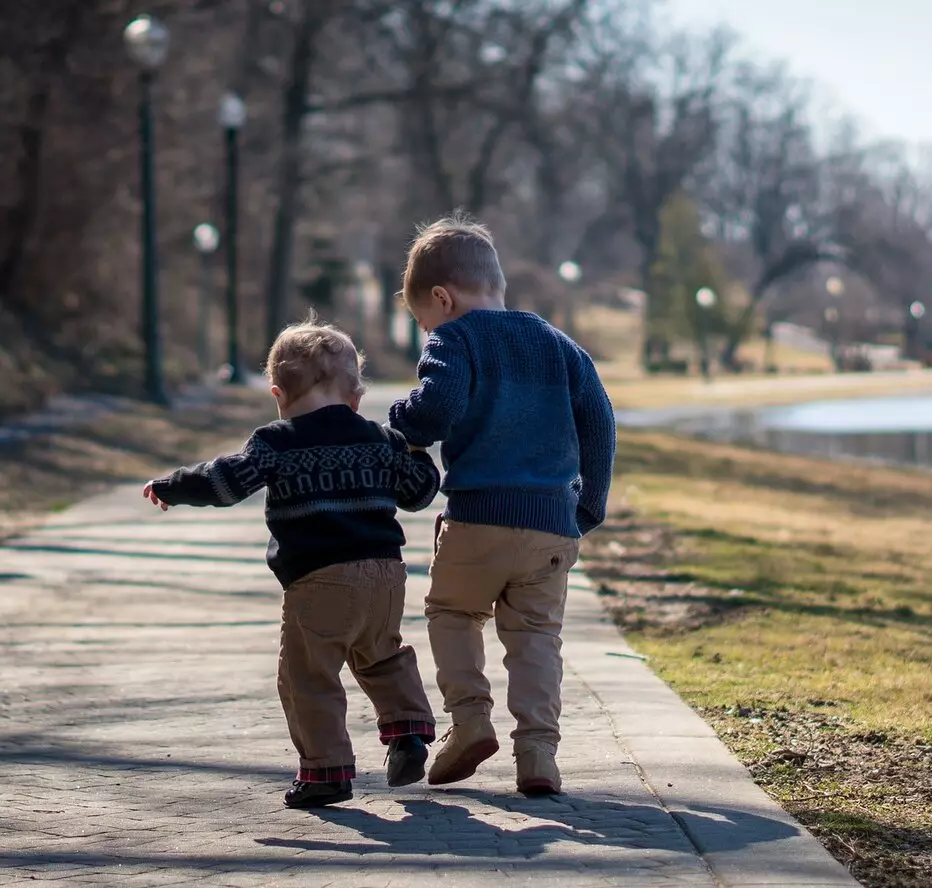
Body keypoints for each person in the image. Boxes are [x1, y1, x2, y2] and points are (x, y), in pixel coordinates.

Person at [143, 320, 440, 809]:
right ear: (355, 395)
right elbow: (418, 492)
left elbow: (225, 482)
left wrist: (174, 486)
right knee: (382, 655)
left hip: (319, 580)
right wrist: (418, 451)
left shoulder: (276, 441)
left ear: (277, 393)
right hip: (385, 575)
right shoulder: (378, 438)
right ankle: (408, 733)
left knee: (307, 675)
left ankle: (326, 771)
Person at [389, 212, 615, 796]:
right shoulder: (558, 344)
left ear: (443, 298)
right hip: (551, 525)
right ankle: (538, 754)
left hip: (478, 518)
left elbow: (435, 409)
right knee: (537, 636)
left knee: (453, 613)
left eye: (423, 320)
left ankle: (469, 721)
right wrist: (588, 506)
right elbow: (600, 422)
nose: (426, 329)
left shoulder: (455, 338)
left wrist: (401, 420)